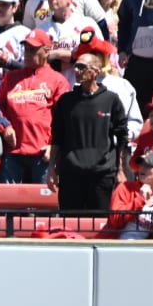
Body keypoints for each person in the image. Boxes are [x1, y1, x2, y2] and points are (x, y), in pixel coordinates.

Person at [48, 46, 128, 211]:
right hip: (71, 173)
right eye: (76, 66)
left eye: (82, 67)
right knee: (69, 226)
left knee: (99, 226)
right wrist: (51, 169)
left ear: (95, 72)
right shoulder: (66, 101)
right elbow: (57, 137)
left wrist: (120, 169)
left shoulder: (111, 100)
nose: (76, 70)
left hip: (102, 174)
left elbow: (122, 137)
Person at [0, 29, 68, 182]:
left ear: (47, 51)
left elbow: (64, 118)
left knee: (43, 203)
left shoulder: (57, 80)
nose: (27, 53)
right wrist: (5, 127)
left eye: (33, 49)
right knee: (8, 202)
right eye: (26, 49)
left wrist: (53, 147)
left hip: (42, 153)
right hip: (14, 151)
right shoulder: (11, 77)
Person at [101, 150, 153, 238]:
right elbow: (115, 220)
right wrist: (140, 199)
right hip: (116, 245)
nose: (142, 168)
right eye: (141, 164)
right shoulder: (125, 188)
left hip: (143, 249)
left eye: (148, 166)